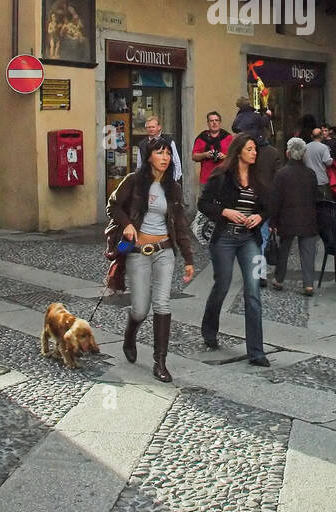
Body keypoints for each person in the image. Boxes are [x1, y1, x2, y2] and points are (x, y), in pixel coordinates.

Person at [107, 136, 194, 383]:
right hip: (138, 252)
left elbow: (180, 225)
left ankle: (160, 362)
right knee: (140, 308)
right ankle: (130, 334)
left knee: (162, 304)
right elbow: (113, 206)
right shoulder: (134, 182)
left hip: (164, 251)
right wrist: (126, 226)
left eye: (168, 153)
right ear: (148, 157)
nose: (165, 157)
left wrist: (188, 258)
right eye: (160, 153)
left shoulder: (173, 188)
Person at [198, 133, 269, 364]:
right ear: (238, 151)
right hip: (224, 239)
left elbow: (269, 206)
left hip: (250, 239)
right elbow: (203, 203)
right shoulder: (222, 175)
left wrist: (259, 216)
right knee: (223, 284)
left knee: (253, 291)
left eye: (255, 149)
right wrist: (224, 212)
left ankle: (257, 352)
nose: (254, 152)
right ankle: (209, 330)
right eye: (250, 149)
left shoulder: (259, 178)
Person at [266, 138, 319, 296]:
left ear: (287, 153)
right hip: (308, 218)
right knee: (308, 252)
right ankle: (308, 284)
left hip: (287, 219)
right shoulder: (310, 174)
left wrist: (273, 220)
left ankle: (279, 279)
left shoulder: (281, 174)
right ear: (304, 154)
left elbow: (275, 199)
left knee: (284, 250)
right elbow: (315, 196)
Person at [254, 138, 284, 283]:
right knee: (263, 237)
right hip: (267, 199)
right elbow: (278, 179)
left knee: (254, 238)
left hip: (251, 198)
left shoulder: (248, 149)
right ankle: (260, 273)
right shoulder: (273, 153)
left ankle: (258, 271)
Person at [191, 111, 232, 186]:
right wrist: (205, 154)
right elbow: (194, 156)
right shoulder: (201, 138)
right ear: (208, 123)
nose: (214, 123)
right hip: (206, 179)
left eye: (216, 120)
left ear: (220, 122)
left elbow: (235, 156)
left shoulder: (228, 137)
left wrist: (225, 156)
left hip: (224, 178)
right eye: (211, 121)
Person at [136, 115, 182, 181]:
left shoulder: (169, 141)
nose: (151, 129)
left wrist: (175, 179)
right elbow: (139, 165)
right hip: (147, 180)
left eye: (153, 127)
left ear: (159, 127)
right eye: (148, 127)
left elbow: (176, 161)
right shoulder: (142, 144)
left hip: (166, 180)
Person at [303, 127, 333, 200]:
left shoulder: (305, 147)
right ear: (321, 136)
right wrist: (331, 160)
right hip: (321, 179)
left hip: (309, 179)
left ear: (312, 136)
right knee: (324, 202)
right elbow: (327, 161)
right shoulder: (324, 147)